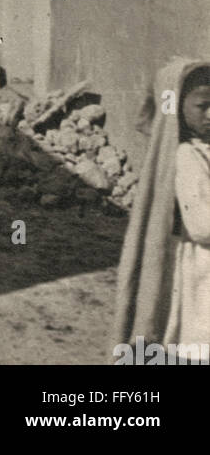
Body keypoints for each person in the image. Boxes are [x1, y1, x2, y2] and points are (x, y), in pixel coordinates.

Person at [113, 57, 210, 359]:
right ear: (177, 108)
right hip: (199, 270)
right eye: (202, 105)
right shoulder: (185, 158)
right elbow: (203, 226)